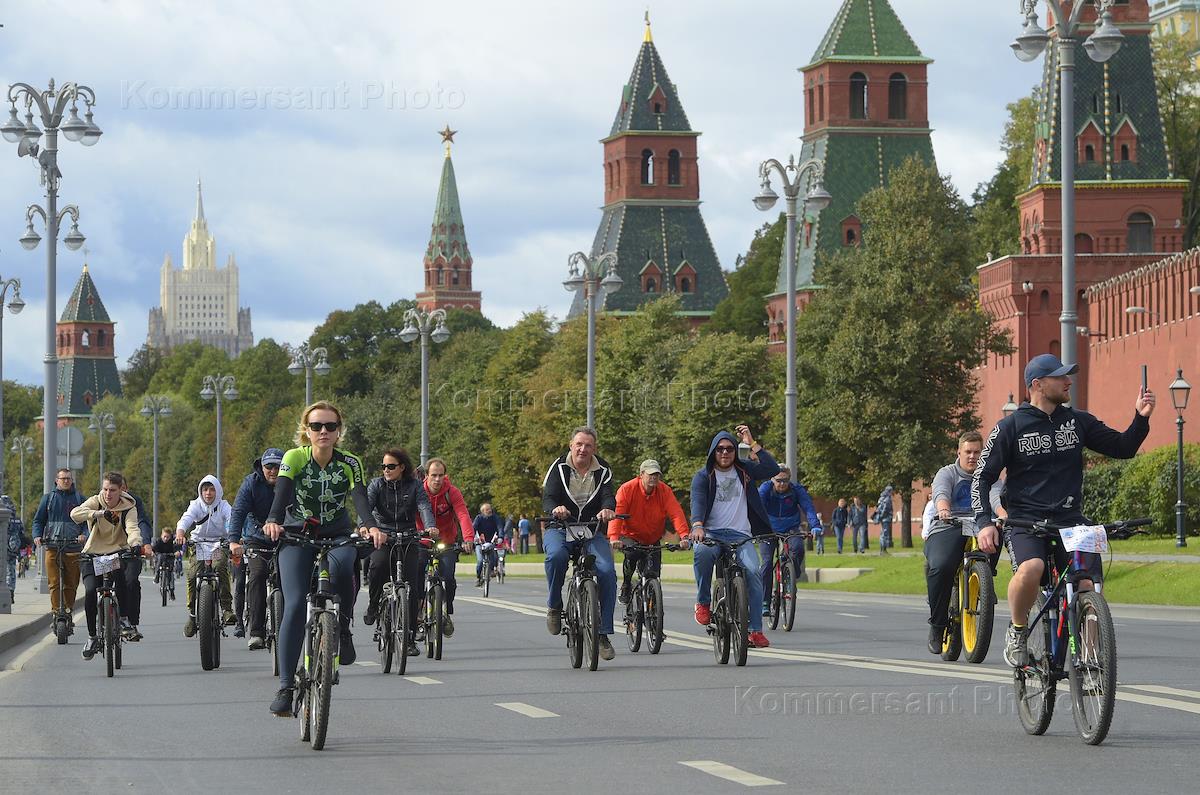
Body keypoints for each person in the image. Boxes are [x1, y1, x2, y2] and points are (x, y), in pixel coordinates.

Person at [972, 353, 1155, 668]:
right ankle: (1017, 632)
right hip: (1025, 522)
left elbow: (1123, 448)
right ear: (1038, 384)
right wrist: (984, 522)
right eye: (1060, 377)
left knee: (1088, 586)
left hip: (1071, 521)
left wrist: (1141, 418)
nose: (1068, 381)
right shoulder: (1010, 427)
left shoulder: (1078, 421)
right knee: (1031, 569)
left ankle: (1089, 659)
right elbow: (983, 477)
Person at [263, 401, 379, 717]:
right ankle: (286, 688)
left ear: (339, 431)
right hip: (297, 534)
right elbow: (282, 493)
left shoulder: (350, 462)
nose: (323, 432)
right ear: (307, 430)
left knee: (344, 570)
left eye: (330, 426)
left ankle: (342, 628)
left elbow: (359, 497)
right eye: (317, 426)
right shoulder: (294, 458)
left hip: (337, 531)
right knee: (296, 601)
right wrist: (273, 519)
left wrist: (369, 525)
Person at [690, 425, 779, 649]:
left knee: (753, 572)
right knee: (701, 553)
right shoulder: (703, 476)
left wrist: (751, 443)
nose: (725, 453)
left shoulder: (745, 470)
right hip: (711, 533)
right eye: (720, 449)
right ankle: (702, 603)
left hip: (741, 535)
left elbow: (771, 468)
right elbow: (698, 501)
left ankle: (755, 630)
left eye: (729, 448)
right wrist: (698, 525)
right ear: (713, 451)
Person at [923, 431, 1006, 654]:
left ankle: (985, 579)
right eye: (968, 452)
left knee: (998, 530)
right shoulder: (947, 473)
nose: (972, 456)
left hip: (980, 525)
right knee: (941, 567)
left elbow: (995, 497)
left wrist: (1001, 513)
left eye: (977, 452)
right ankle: (937, 625)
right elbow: (940, 493)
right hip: (949, 524)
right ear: (959, 452)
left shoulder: (990, 477)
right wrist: (943, 510)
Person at [542, 426, 618, 660]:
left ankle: (603, 633)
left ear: (594, 449)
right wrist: (555, 509)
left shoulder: (603, 469)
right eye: (579, 444)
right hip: (560, 527)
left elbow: (608, 494)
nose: (583, 449)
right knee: (556, 556)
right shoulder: (558, 467)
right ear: (571, 445)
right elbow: (549, 496)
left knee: (606, 571)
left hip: (591, 529)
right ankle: (555, 606)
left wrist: (607, 509)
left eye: (588, 445)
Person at [363, 447, 436, 655]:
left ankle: (410, 639)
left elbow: (424, 506)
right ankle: (374, 604)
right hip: (383, 536)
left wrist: (430, 526)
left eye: (391, 466)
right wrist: (365, 526)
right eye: (384, 466)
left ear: (402, 467)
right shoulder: (376, 485)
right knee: (377, 566)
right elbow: (366, 508)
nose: (386, 470)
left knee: (411, 588)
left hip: (409, 537)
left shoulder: (414, 486)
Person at [69, 472, 143, 661]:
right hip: (92, 553)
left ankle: (124, 619)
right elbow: (75, 514)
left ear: (121, 491)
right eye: (105, 489)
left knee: (122, 582)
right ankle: (92, 636)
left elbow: (133, 527)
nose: (108, 494)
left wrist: (135, 544)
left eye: (112, 490)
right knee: (91, 590)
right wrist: (98, 513)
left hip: (116, 553)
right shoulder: (96, 501)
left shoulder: (129, 506)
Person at [608, 459, 689, 605]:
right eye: (650, 474)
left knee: (653, 574)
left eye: (656, 475)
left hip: (652, 538)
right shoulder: (627, 489)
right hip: (630, 535)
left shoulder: (664, 491)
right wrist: (614, 537)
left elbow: (676, 513)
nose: (653, 477)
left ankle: (652, 611)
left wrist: (684, 536)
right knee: (631, 555)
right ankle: (626, 584)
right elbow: (617, 514)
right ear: (641, 475)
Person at [228, 448, 283, 650]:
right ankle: (257, 632)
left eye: (278, 466)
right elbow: (238, 511)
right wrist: (234, 541)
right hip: (256, 539)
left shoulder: (291, 482)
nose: (273, 471)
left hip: (286, 537)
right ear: (262, 467)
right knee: (257, 575)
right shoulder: (251, 483)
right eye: (269, 466)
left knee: (291, 577)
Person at [175, 475, 235, 638]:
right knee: (193, 575)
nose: (208, 493)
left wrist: (234, 537)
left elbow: (231, 521)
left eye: (212, 489)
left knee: (220, 567)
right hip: (199, 543)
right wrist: (180, 532)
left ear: (218, 490)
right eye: (205, 489)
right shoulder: (196, 505)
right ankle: (192, 615)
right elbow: (186, 519)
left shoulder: (223, 506)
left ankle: (226, 608)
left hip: (219, 544)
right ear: (201, 491)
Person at [757, 466, 822, 615]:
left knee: (798, 549)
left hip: (791, 527)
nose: (782, 484)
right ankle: (765, 601)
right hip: (768, 528)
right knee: (766, 563)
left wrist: (815, 525)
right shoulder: (765, 489)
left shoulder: (796, 490)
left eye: (785, 480)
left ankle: (791, 575)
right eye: (778, 480)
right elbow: (756, 506)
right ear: (772, 479)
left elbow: (808, 508)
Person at [418, 457, 474, 625]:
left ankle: (446, 608)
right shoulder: (419, 492)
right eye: (433, 475)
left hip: (446, 540)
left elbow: (462, 515)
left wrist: (468, 538)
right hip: (422, 540)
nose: (437, 479)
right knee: (417, 571)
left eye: (441, 475)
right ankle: (419, 608)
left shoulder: (452, 492)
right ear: (426, 476)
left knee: (448, 576)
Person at [32, 469, 87, 623]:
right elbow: (38, 521)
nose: (66, 481)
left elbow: (88, 522)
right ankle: (57, 612)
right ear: (56, 480)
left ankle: (68, 610)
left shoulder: (80, 499)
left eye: (68, 478)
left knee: (71, 583)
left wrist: (84, 534)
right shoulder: (48, 499)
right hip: (52, 546)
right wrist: (37, 536)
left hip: (73, 547)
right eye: (63, 478)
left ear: (72, 480)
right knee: (54, 582)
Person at [119, 483, 154, 641]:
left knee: (131, 581)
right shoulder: (100, 501)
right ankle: (102, 622)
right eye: (113, 488)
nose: (120, 492)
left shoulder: (134, 501)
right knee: (101, 584)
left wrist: (145, 543)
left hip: (131, 548)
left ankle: (131, 623)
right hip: (107, 549)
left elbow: (142, 522)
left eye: (123, 488)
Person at [3, 495, 27, 603]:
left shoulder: (3, 515)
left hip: (2, 547)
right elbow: (22, 534)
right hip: (13, 549)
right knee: (11, 571)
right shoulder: (16, 519)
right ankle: (11, 592)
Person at [472, 503, 502, 587]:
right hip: (480, 542)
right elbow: (473, 528)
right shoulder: (479, 518)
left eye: (490, 509)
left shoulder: (495, 518)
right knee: (480, 561)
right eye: (487, 509)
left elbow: (500, 527)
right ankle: (478, 578)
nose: (489, 511)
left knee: (493, 557)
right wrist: (472, 538)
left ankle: (491, 570)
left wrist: (500, 537)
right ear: (482, 511)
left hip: (491, 542)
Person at [151, 529, 178, 601]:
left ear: (170, 537)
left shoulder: (172, 542)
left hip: (170, 559)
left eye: (167, 537)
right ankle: (157, 576)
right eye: (164, 536)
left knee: (171, 575)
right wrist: (152, 552)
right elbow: (153, 549)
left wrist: (177, 552)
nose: (166, 539)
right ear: (161, 536)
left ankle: (171, 591)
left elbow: (176, 549)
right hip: (160, 559)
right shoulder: (158, 541)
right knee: (159, 557)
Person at [875, 485, 894, 554]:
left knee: (882, 533)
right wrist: (883, 516)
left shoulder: (881, 498)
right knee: (885, 534)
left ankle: (882, 549)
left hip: (882, 518)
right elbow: (885, 509)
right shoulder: (887, 499)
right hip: (886, 518)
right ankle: (883, 550)